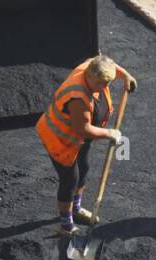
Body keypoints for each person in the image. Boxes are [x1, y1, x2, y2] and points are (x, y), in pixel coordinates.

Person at [37, 55, 136, 237]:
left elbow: (109, 63)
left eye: (108, 83)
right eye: (101, 84)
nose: (105, 88)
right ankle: (66, 226)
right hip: (60, 140)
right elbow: (83, 129)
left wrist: (126, 76)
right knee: (70, 180)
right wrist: (109, 133)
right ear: (90, 77)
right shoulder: (78, 98)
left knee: (84, 167)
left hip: (78, 139)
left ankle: (76, 207)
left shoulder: (94, 67)